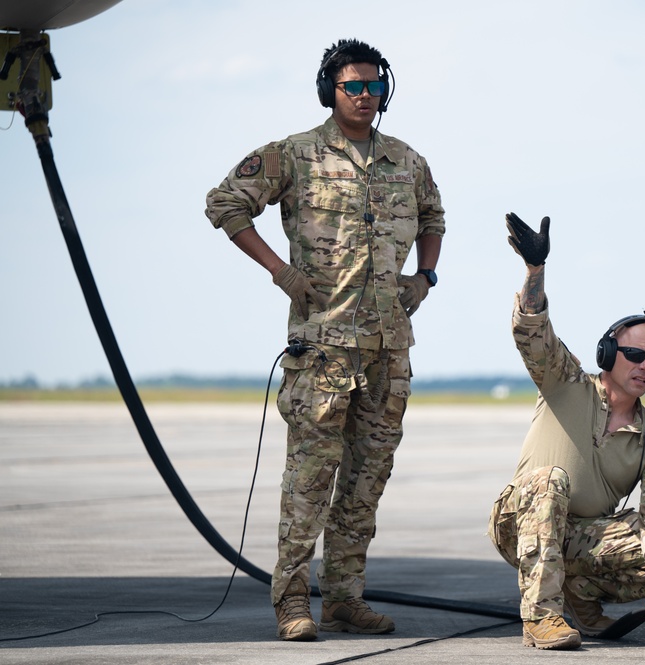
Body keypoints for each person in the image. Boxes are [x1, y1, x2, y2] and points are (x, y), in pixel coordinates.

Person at [204, 39, 445, 641]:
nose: (365, 96)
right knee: (309, 483)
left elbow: (434, 216)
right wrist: (280, 272)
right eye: (353, 87)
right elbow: (226, 203)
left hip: (389, 351)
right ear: (330, 92)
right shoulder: (296, 154)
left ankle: (344, 598)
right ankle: (291, 602)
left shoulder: (407, 160)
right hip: (324, 351)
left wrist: (425, 275)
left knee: (366, 483)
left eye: (374, 86)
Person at [487, 213, 645, 651]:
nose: (644, 365)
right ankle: (542, 618)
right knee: (551, 480)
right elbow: (532, 331)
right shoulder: (565, 381)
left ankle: (580, 594)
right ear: (608, 353)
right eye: (633, 354)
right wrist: (535, 271)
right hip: (520, 522)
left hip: (582, 536)